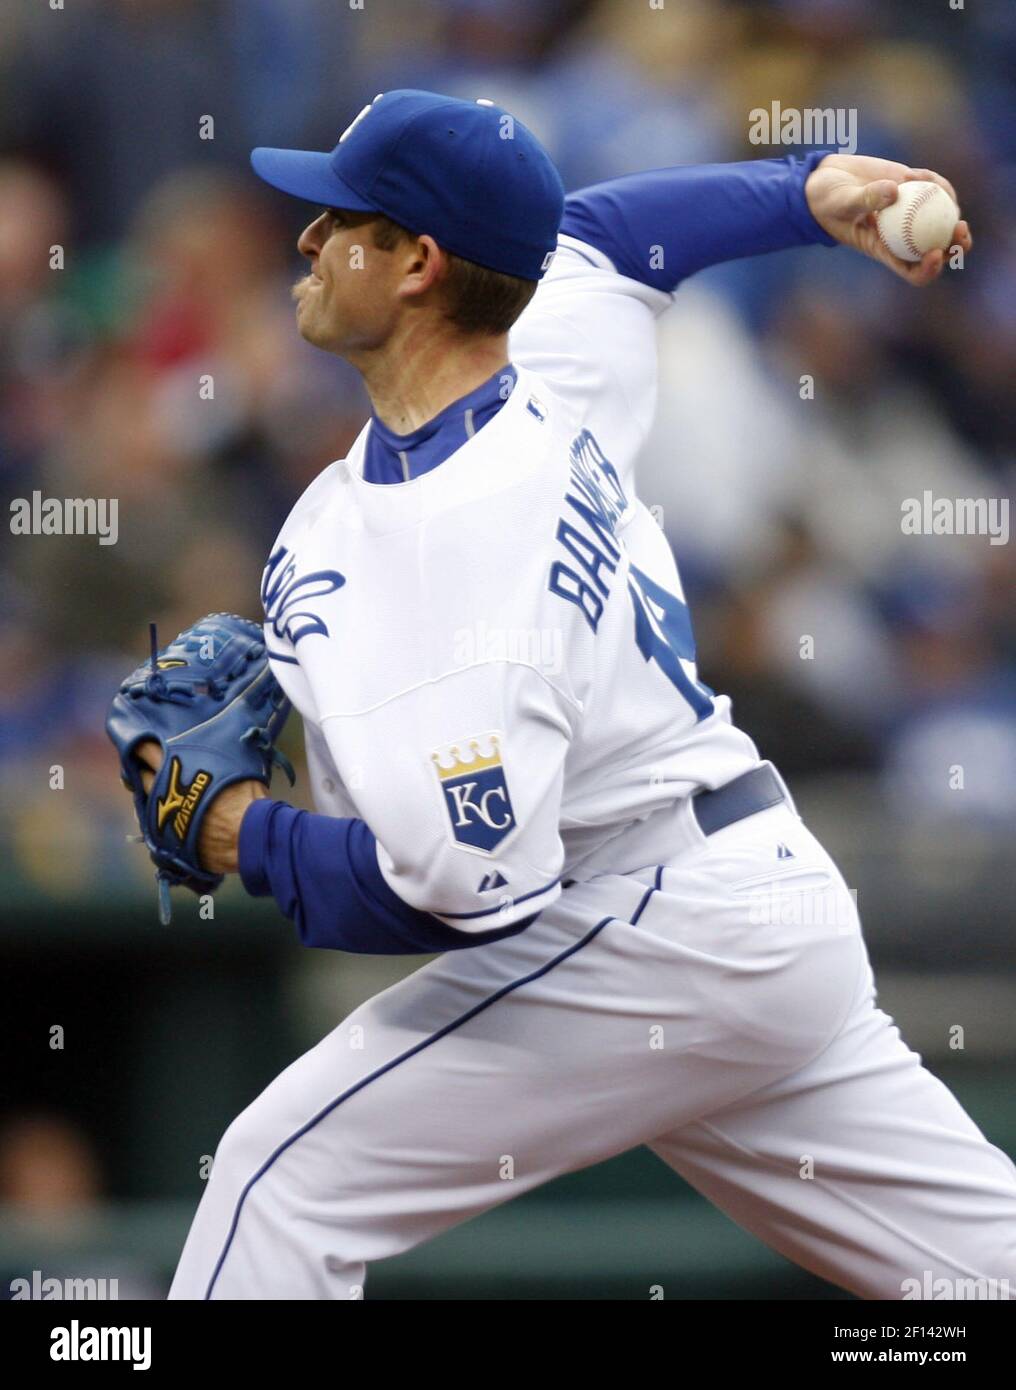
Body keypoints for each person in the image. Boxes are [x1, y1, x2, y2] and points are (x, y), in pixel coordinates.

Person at [158, 90, 1014, 1301]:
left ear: (417, 265)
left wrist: (242, 835)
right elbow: (605, 236)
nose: (305, 237)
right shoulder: (537, 347)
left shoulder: (458, 565)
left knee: (276, 1180)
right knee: (982, 1273)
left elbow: (471, 895)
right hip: (751, 901)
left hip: (653, 924)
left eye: (340, 215)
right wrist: (801, 192)